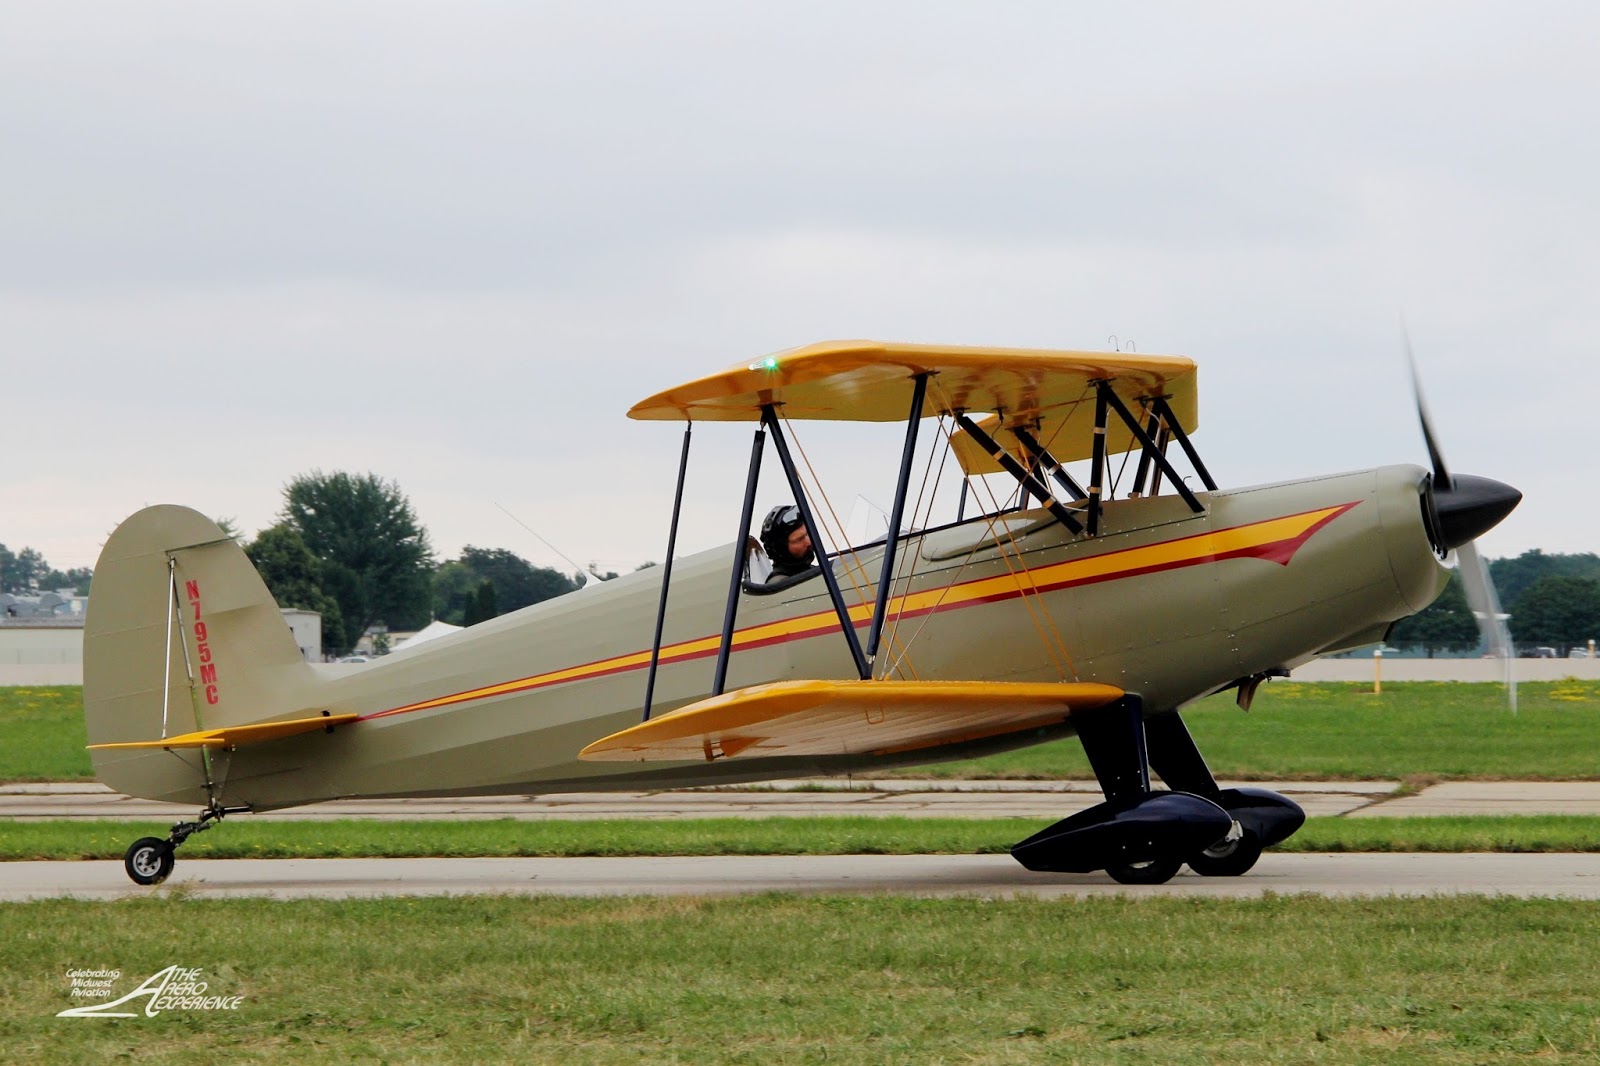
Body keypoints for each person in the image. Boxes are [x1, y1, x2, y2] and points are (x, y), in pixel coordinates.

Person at [759, 504, 816, 581]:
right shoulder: (780, 584)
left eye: (807, 534)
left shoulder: (811, 572)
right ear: (782, 550)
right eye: (799, 539)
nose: (809, 542)